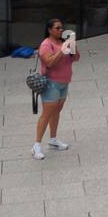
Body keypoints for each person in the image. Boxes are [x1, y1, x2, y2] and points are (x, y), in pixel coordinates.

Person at [33, 18, 78, 160]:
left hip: (64, 82)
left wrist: (73, 47)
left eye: (61, 28)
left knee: (56, 111)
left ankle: (53, 139)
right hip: (52, 83)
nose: (61, 30)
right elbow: (50, 62)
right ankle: (36, 146)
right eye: (57, 28)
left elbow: (75, 58)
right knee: (47, 114)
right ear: (49, 30)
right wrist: (62, 51)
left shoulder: (61, 42)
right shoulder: (46, 45)